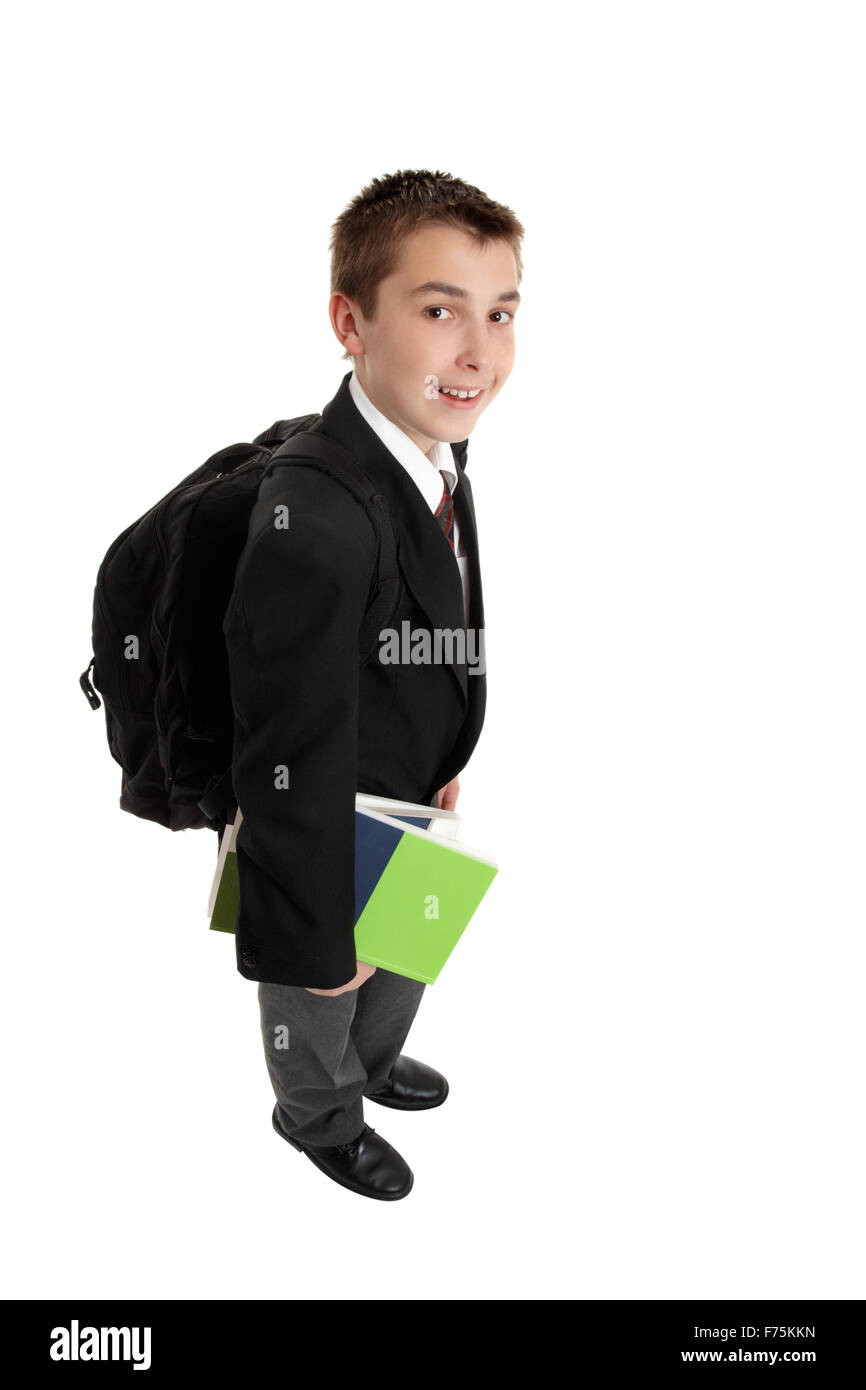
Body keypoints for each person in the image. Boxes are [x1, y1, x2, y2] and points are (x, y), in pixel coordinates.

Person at [217, 168, 524, 1200]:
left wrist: (441, 756)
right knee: (319, 989)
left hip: (403, 781)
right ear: (349, 321)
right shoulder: (318, 517)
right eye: (438, 310)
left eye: (499, 312)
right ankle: (316, 1111)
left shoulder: (433, 448)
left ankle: (374, 1058)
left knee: (404, 951)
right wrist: (310, 925)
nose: (478, 352)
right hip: (320, 822)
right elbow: (284, 747)